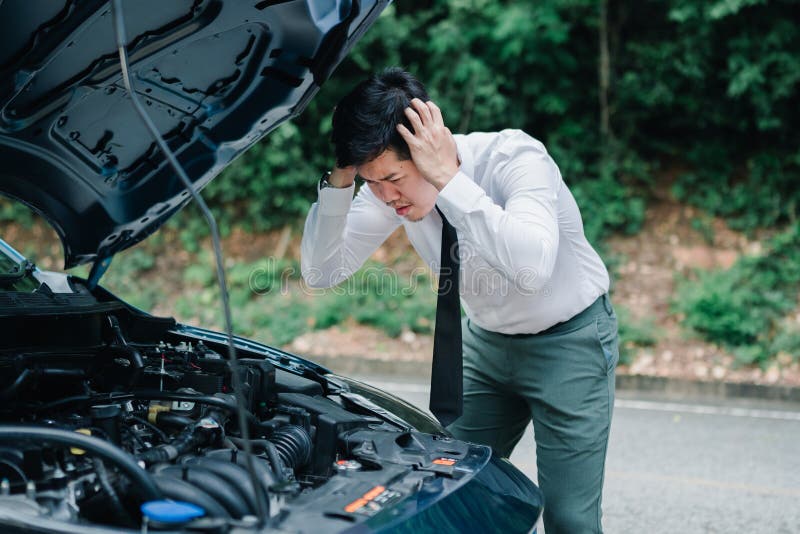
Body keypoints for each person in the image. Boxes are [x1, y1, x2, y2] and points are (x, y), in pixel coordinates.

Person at [300, 67, 619, 534]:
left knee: (570, 519)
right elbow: (321, 272)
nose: (386, 197)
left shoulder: (515, 157)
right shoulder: (388, 190)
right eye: (372, 182)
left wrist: (449, 181)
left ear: (426, 144)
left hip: (570, 344)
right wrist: (341, 183)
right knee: (445, 491)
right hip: (485, 345)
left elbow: (532, 267)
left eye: (393, 178)